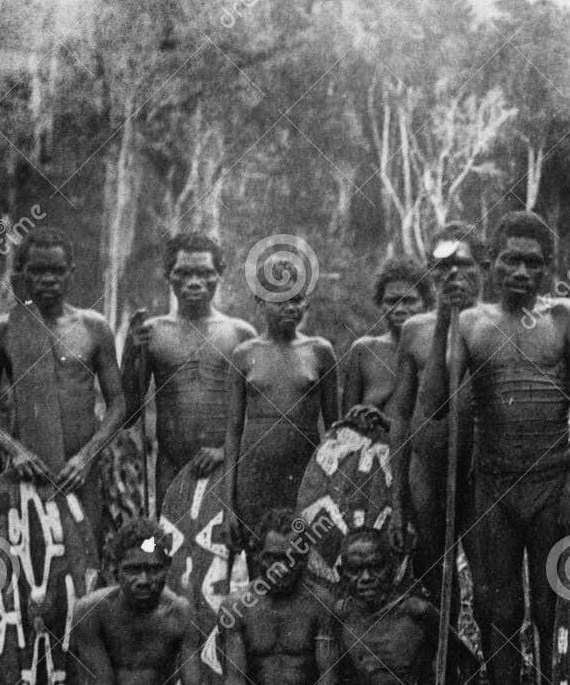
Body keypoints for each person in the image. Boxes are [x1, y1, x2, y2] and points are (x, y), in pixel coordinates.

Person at [419, 211, 570, 685]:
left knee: (552, 609)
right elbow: (435, 404)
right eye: (510, 260)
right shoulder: (470, 323)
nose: (521, 272)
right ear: (491, 264)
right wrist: (444, 316)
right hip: (493, 488)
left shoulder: (566, 317)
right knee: (496, 610)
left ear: (548, 268)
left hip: (552, 483)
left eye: (533, 262)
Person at [0, 227, 125, 539]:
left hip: (80, 473)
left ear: (71, 273)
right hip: (30, 472)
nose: (48, 279)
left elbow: (118, 405)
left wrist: (86, 457)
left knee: (86, 555)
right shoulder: (2, 330)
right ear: (21, 273)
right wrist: (16, 452)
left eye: (57, 271)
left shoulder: (94, 327)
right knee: (31, 557)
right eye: (37, 270)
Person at [70, 518, 227, 685]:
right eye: (132, 570)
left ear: (167, 568)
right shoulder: (91, 611)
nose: (143, 580)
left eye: (153, 569)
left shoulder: (179, 612)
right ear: (114, 571)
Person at [120, 233, 257, 506]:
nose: (194, 282)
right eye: (183, 273)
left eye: (204, 273)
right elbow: (130, 414)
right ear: (168, 276)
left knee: (227, 532)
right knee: (169, 531)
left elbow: (260, 412)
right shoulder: (153, 333)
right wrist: (129, 353)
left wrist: (225, 451)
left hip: (226, 466)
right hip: (171, 468)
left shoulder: (240, 334)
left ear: (219, 275)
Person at [332, 529, 479, 685]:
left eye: (376, 568)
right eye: (355, 570)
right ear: (341, 572)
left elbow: (469, 664)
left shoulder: (416, 612)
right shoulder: (343, 615)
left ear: (392, 567)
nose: (366, 578)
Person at [386, 233, 480, 602]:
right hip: (426, 473)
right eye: (443, 267)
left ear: (481, 269)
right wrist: (398, 502)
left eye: (463, 265)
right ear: (431, 273)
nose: (453, 275)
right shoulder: (415, 330)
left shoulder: (493, 324)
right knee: (436, 584)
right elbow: (401, 417)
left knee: (488, 587)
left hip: (480, 475)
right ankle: (446, 641)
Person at [223, 270, 338, 545]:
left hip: (304, 476)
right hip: (255, 478)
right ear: (260, 302)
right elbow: (233, 432)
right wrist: (228, 504)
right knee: (260, 551)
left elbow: (335, 431)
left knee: (304, 551)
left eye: (297, 300)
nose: (290, 307)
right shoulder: (244, 354)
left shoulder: (320, 351)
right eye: (280, 300)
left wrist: (332, 489)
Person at [217, 510, 339, 685]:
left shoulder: (322, 605)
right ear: (257, 556)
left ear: (304, 558)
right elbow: (234, 680)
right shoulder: (236, 607)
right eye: (272, 558)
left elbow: (329, 679)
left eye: (291, 558)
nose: (282, 568)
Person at [342, 257, 434, 441]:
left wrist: (388, 424)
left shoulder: (436, 352)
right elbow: (347, 424)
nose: (399, 309)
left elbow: (435, 423)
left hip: (416, 454)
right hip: (370, 453)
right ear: (381, 304)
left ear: (426, 304)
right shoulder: (364, 350)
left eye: (409, 301)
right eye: (392, 301)